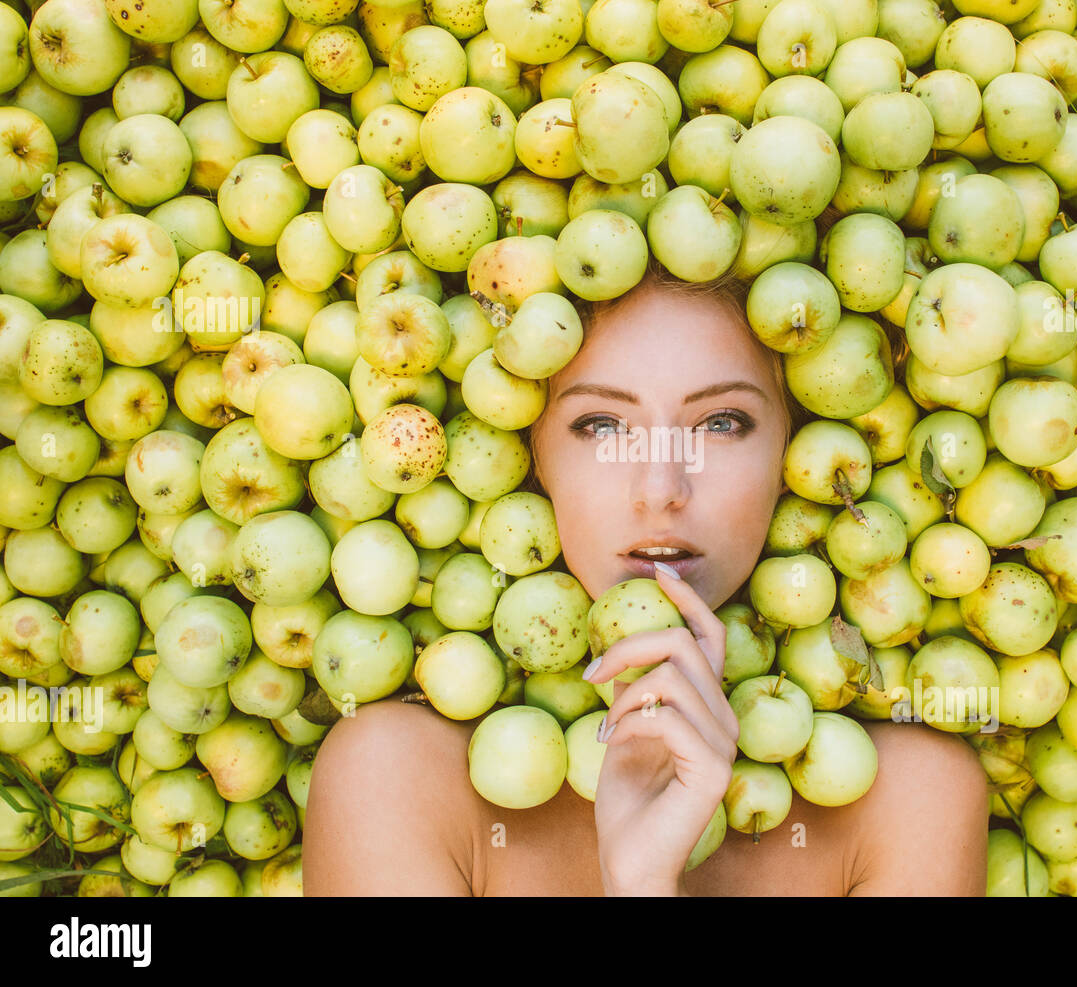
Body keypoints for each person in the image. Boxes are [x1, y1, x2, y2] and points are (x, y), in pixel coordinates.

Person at [302, 259, 989, 896]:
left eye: (721, 422)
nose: (660, 487)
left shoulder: (910, 799)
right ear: (529, 455)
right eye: (603, 425)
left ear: (791, 450)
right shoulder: (393, 777)